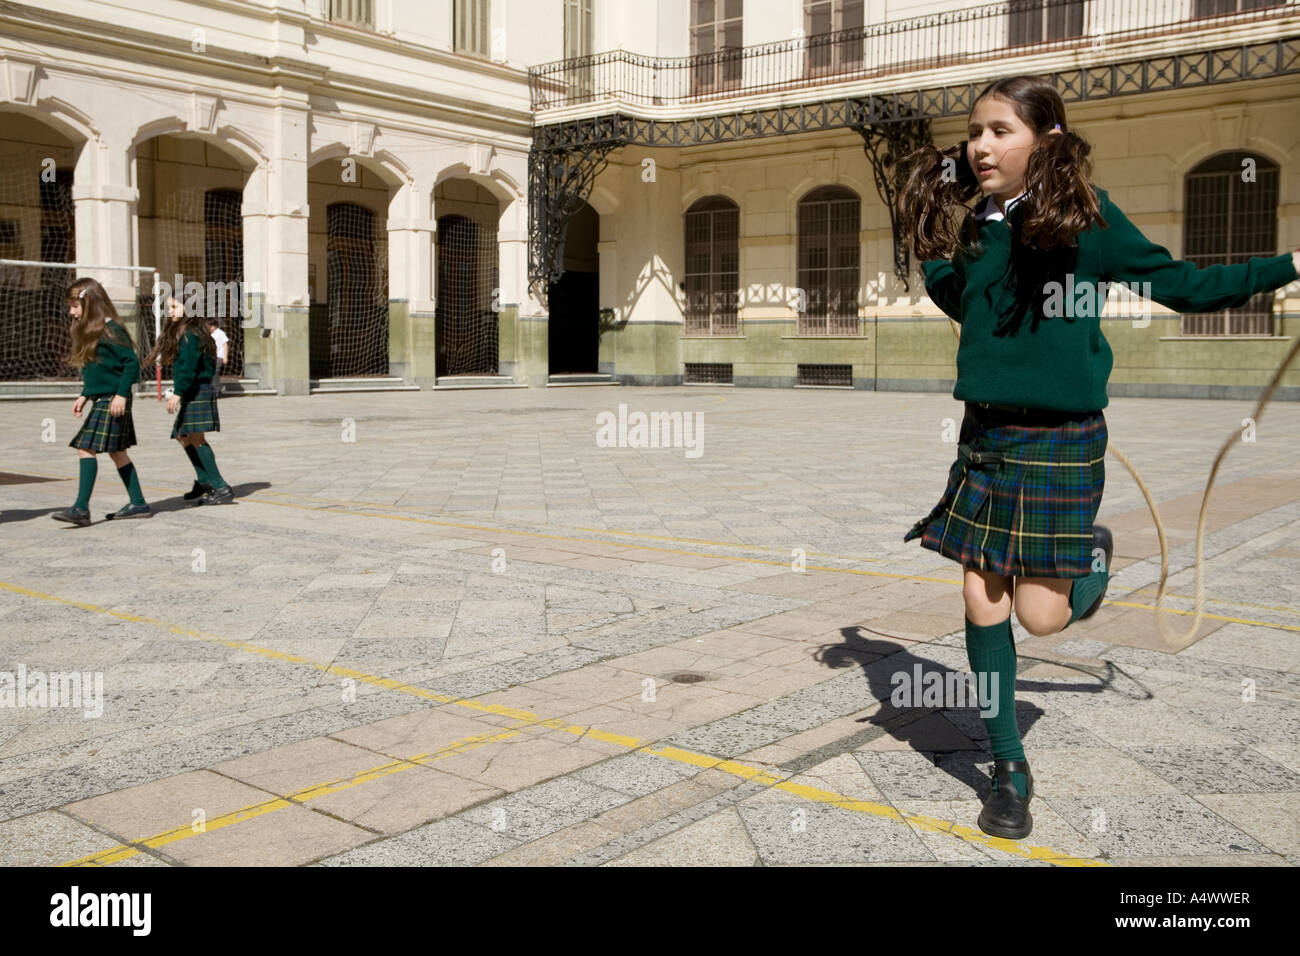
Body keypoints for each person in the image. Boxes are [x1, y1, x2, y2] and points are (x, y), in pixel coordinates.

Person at [897, 74, 1300, 841]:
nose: (980, 145)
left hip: (1062, 443)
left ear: (1044, 140)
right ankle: (1008, 770)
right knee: (983, 599)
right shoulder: (975, 227)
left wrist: (1288, 268)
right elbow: (966, 297)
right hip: (987, 438)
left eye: (999, 131)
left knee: (1044, 619)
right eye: (974, 132)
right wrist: (938, 262)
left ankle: (1091, 562)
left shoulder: (1089, 222)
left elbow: (1185, 285)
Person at [54, 278, 151, 525]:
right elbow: (99, 371)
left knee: (85, 446)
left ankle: (81, 509)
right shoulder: (92, 332)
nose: (71, 311)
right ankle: (138, 503)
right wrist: (85, 394)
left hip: (112, 399)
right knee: (117, 452)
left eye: (75, 305)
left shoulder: (111, 330)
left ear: (91, 303)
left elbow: (131, 363)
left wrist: (121, 395)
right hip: (102, 397)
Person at [145, 296, 234, 505]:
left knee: (197, 438)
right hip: (193, 390)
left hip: (198, 390)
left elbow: (189, 367)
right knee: (182, 435)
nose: (171, 311)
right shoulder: (188, 332)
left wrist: (178, 392)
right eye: (169, 308)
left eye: (175, 306)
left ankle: (220, 486)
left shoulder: (191, 334)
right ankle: (204, 481)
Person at [206, 316, 228, 393]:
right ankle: (216, 388)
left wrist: (225, 357)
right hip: (211, 356)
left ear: (214, 326)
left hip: (219, 356)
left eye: (210, 327)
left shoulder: (220, 333)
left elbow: (225, 344)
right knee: (211, 372)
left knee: (215, 372)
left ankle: (217, 390)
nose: (209, 328)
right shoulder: (209, 334)